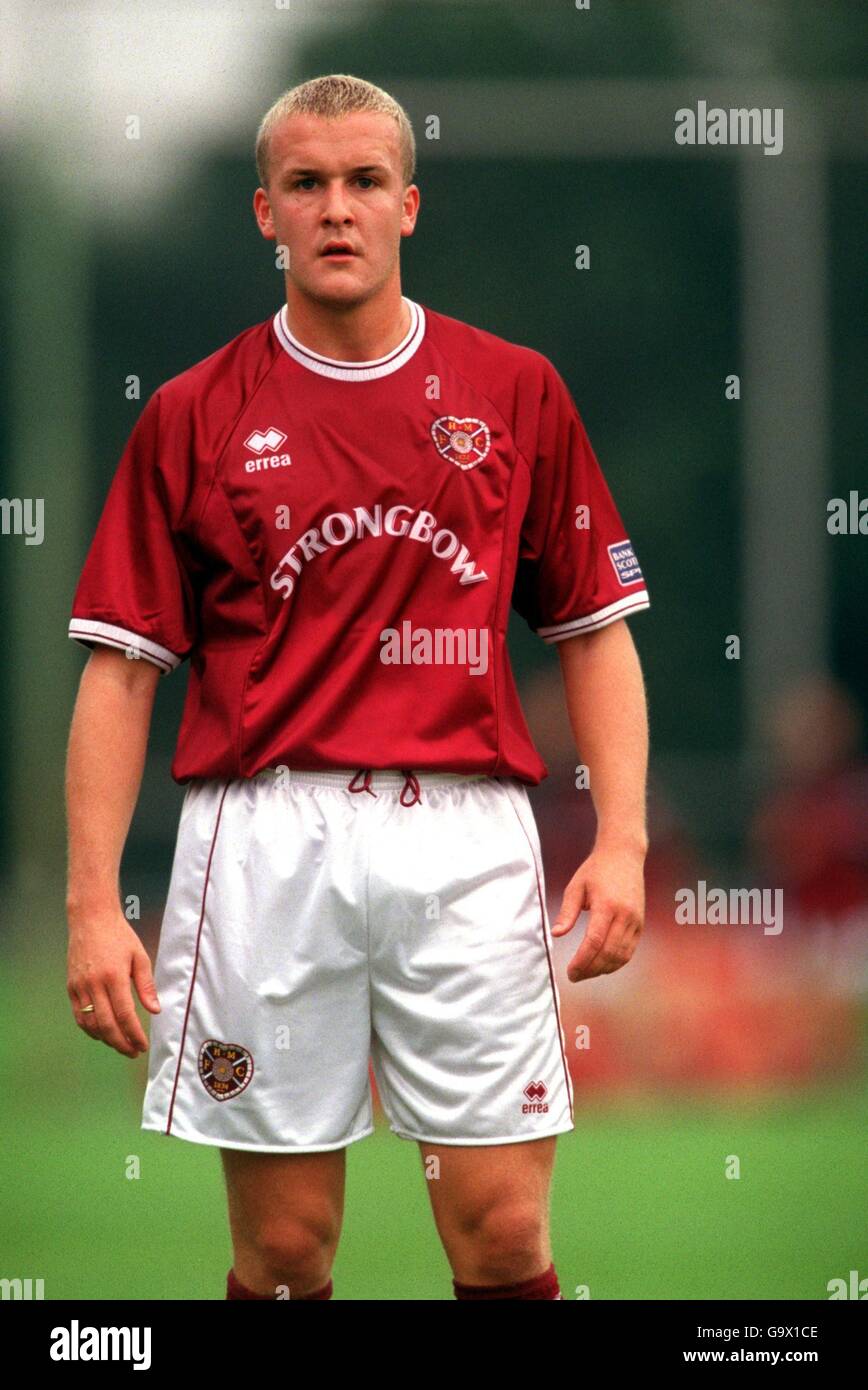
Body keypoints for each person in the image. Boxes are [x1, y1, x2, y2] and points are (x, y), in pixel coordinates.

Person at [65, 73, 651, 1302]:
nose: (339, 208)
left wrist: (623, 840)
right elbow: (122, 673)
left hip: (467, 840)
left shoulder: (512, 392)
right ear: (266, 213)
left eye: (364, 181)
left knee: (501, 1235)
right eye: (308, 184)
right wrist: (88, 903)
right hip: (264, 839)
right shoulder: (189, 413)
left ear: (409, 205)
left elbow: (593, 631)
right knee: (283, 1255)